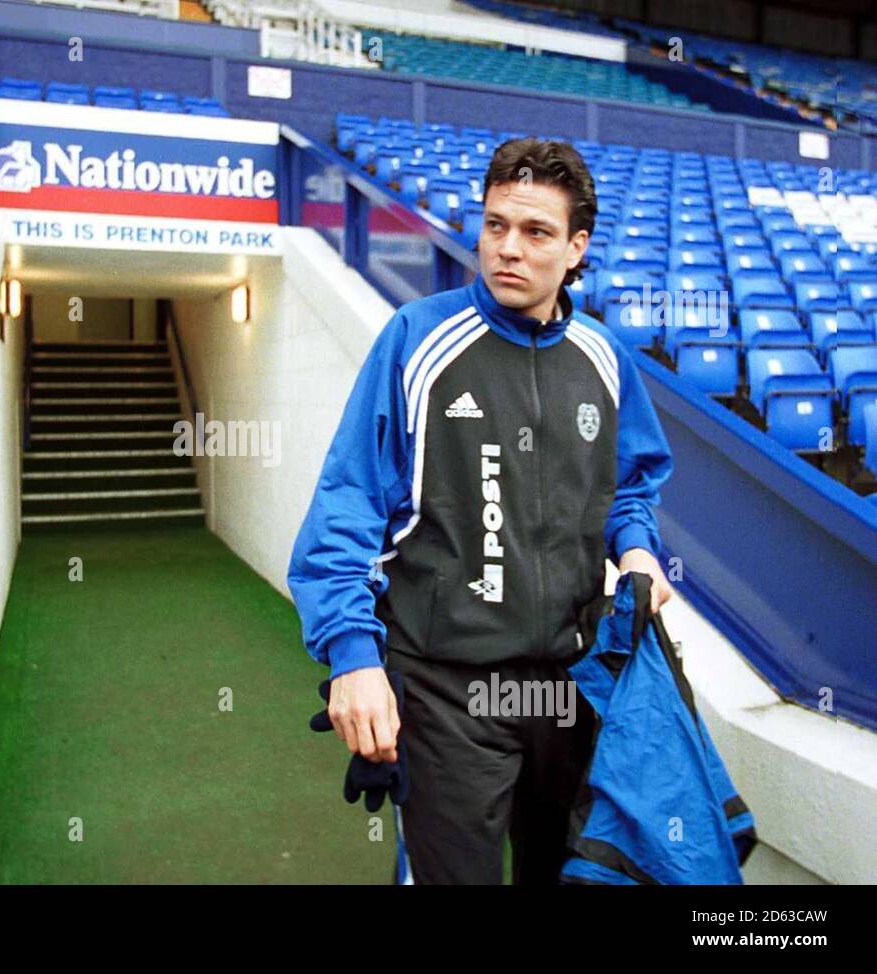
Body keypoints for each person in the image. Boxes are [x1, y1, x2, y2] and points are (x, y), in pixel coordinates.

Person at [287, 137, 676, 884]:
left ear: (575, 248)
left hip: (567, 685)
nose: (507, 249)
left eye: (535, 233)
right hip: (444, 689)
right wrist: (352, 656)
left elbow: (629, 486)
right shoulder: (417, 340)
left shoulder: (604, 358)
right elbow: (348, 506)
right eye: (495, 225)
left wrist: (636, 550)